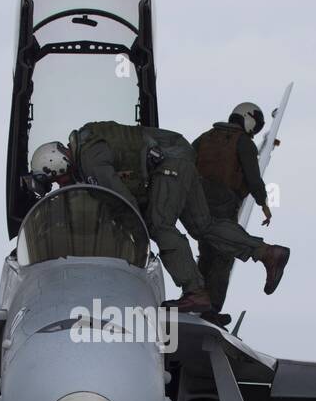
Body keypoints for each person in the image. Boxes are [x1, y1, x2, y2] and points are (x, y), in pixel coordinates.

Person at [29, 121, 288, 314]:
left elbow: (123, 202)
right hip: (179, 159)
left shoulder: (90, 161)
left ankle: (196, 292)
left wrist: (136, 236)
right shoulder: (87, 149)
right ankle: (268, 253)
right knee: (203, 225)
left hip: (170, 164)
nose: (61, 185)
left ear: (58, 163)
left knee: (159, 224)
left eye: (57, 179)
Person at [193, 102, 281, 318]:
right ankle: (211, 309)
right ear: (248, 117)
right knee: (224, 255)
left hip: (198, 202)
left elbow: (185, 160)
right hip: (224, 203)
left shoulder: (205, 137)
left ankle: (197, 301)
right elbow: (253, 178)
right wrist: (264, 204)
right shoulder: (243, 143)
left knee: (206, 254)